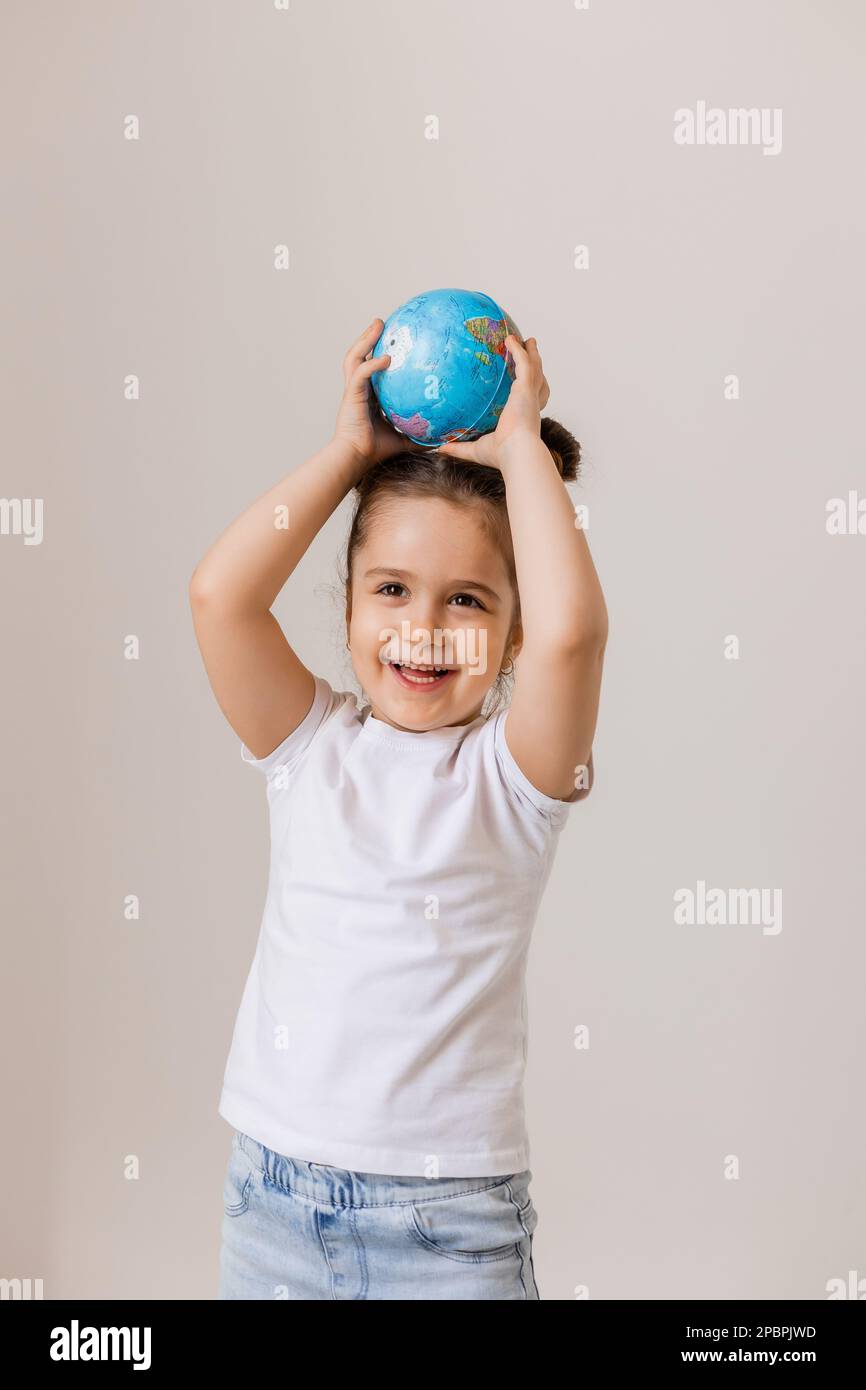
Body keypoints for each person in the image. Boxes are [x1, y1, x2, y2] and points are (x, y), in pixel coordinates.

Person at [189, 318, 609, 1299]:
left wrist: (519, 448)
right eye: (390, 589)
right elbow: (219, 597)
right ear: (345, 608)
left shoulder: (513, 782)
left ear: (510, 636)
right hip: (272, 1203)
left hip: (448, 1225)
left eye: (467, 600)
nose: (421, 629)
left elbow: (574, 637)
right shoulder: (309, 747)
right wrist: (346, 455)